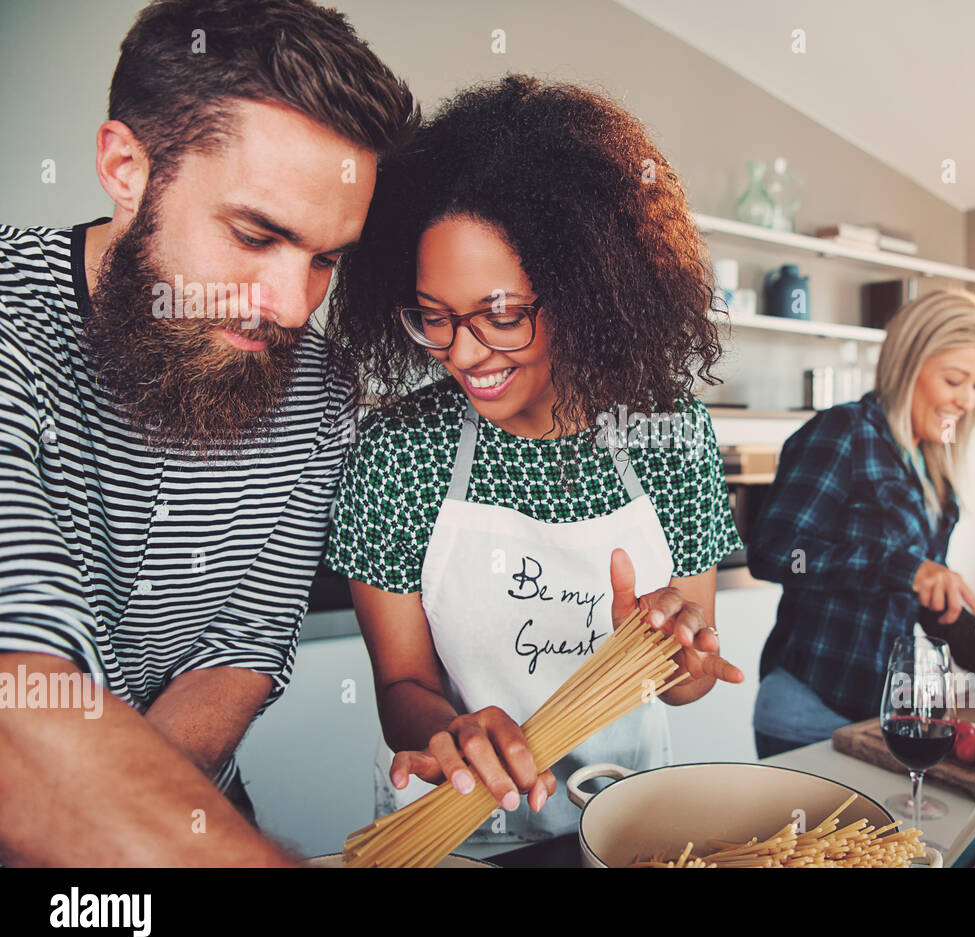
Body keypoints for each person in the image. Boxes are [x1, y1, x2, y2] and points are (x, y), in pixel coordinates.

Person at [0, 0, 418, 866]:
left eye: (325, 260)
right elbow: (20, 681)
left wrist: (152, 824)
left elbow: (243, 647)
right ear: (125, 166)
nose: (293, 305)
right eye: (255, 235)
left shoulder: (324, 387)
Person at [325, 76, 744, 844]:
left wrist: (666, 649)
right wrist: (454, 729)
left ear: (588, 290)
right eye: (435, 317)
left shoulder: (671, 433)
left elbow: (687, 683)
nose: (463, 352)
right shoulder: (399, 453)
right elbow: (401, 684)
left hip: (628, 826)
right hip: (460, 830)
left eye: (502, 314)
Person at [747, 289, 975, 759]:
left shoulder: (933, 464)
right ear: (909, 365)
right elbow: (774, 552)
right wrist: (902, 567)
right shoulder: (842, 432)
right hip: (809, 712)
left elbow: (929, 600)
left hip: (884, 713)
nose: (968, 400)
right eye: (954, 380)